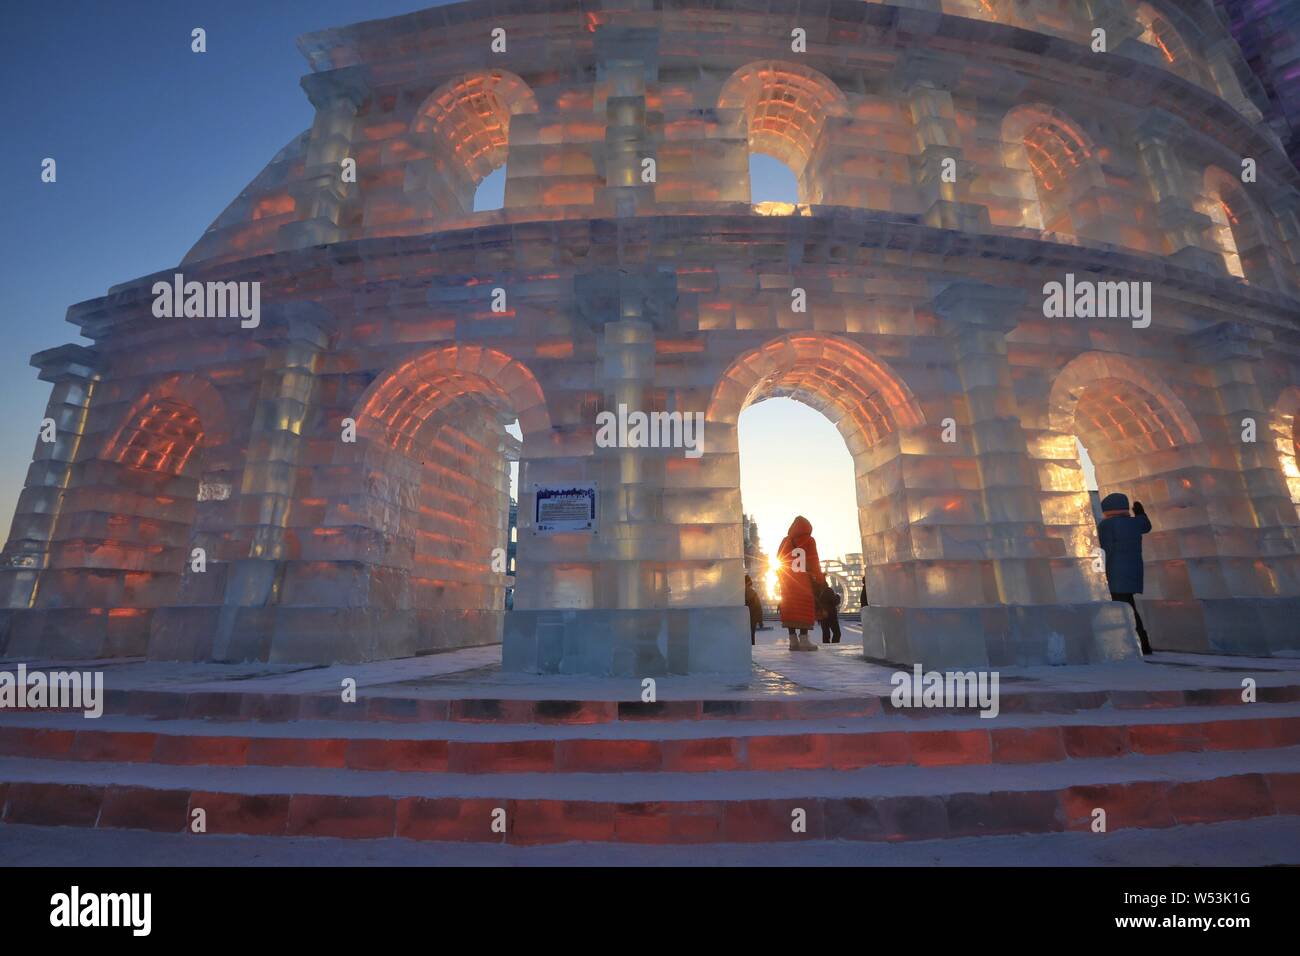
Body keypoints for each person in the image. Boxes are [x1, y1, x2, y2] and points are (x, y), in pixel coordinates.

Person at [1097, 492, 1153, 655]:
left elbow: (1104, 550)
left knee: (1124, 609)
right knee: (1129, 604)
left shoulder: (1106, 525)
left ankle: (1138, 645)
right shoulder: (1134, 523)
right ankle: (1143, 643)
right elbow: (1146, 526)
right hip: (1132, 572)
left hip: (1115, 572)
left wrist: (1096, 570)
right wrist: (1141, 513)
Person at [776, 515, 823, 651]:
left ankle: (793, 640)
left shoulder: (786, 541)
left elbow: (779, 559)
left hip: (788, 581)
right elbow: (814, 560)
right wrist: (819, 577)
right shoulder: (809, 540)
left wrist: (781, 577)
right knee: (804, 607)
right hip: (803, 580)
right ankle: (804, 639)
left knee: (790, 607)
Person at [744, 574, 762, 645]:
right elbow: (758, 607)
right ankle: (751, 650)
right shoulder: (753, 593)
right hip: (752, 618)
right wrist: (760, 621)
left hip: (742, 619)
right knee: (751, 636)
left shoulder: (738, 593)